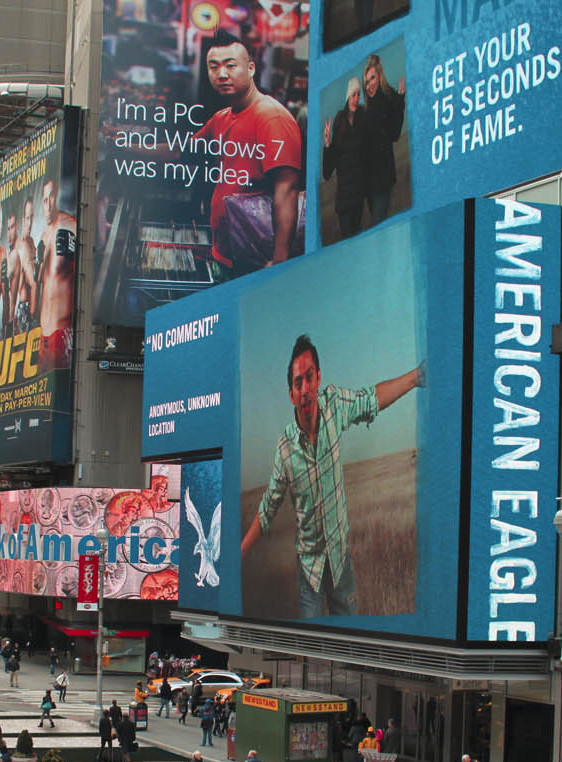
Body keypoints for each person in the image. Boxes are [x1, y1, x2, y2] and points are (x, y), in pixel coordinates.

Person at [239, 334, 424, 617]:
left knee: (349, 643)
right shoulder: (286, 449)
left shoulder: (334, 406)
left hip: (340, 562)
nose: (305, 389)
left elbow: (370, 400)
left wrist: (415, 377)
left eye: (309, 378)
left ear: (318, 379)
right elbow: (267, 509)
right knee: (310, 650)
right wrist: (238, 553)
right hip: (309, 570)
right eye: (297, 383)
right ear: (291, 393)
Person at [197, 29, 303, 276]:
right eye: (213, 67)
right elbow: (185, 152)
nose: (221, 74)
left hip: (255, 261)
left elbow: (287, 189)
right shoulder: (221, 118)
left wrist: (280, 260)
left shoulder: (271, 117)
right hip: (224, 253)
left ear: (252, 68)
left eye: (230, 65)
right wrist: (129, 148)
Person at [358, 54, 405, 228]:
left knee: (378, 223)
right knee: (376, 223)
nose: (370, 84)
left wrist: (400, 102)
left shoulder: (389, 97)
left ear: (379, 76)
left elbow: (395, 134)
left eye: (372, 78)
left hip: (383, 177)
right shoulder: (367, 108)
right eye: (367, 81)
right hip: (369, 181)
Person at [321, 75, 369, 238]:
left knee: (356, 237)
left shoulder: (363, 117)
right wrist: (327, 144)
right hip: (344, 197)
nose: (356, 99)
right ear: (347, 96)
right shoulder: (340, 120)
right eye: (353, 95)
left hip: (358, 194)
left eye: (358, 95)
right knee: (347, 238)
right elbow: (327, 172)